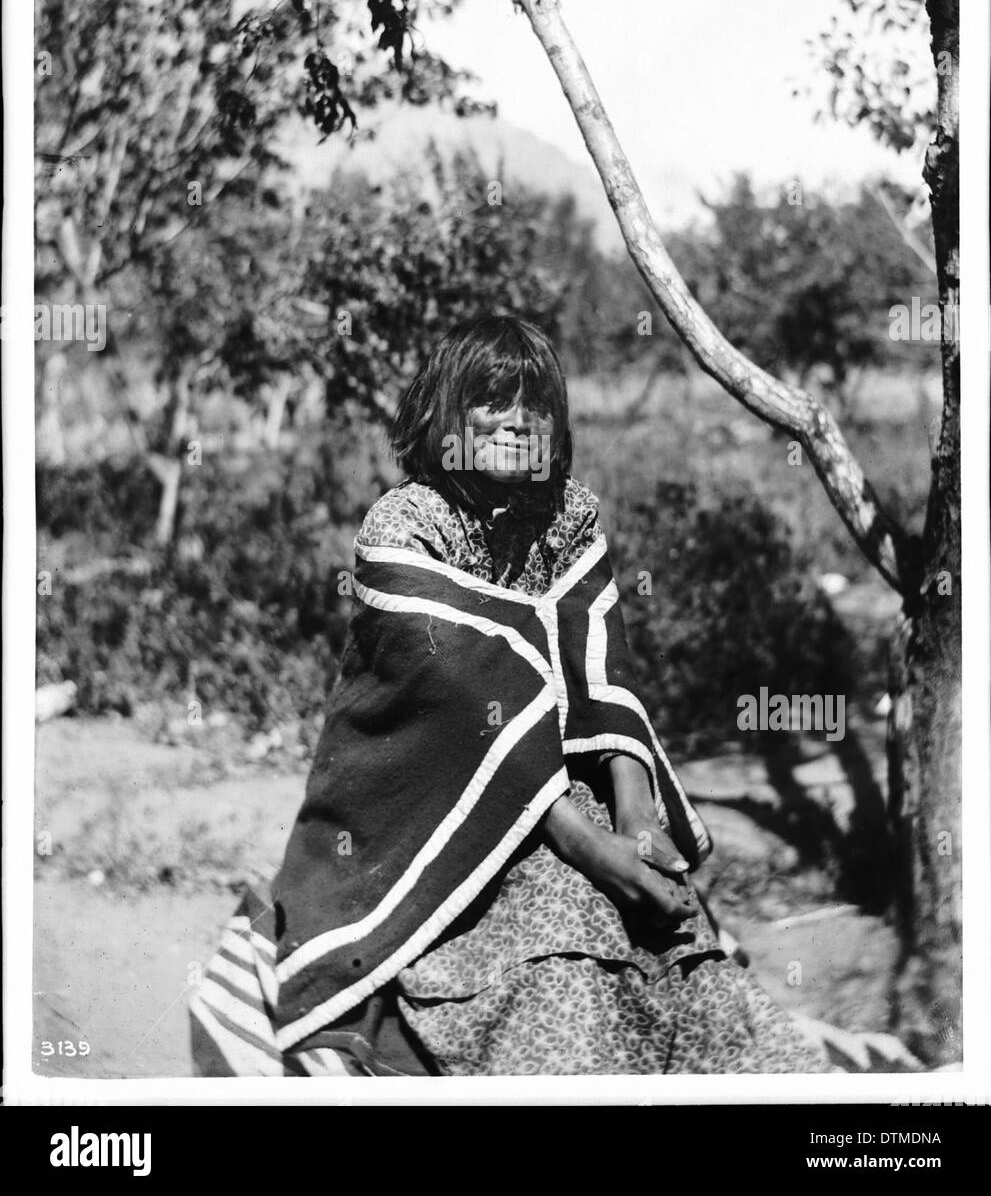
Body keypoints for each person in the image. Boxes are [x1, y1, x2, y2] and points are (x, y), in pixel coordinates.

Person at [190, 314, 825, 1076]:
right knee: (560, 939)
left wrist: (633, 817)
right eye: (490, 402)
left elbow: (601, 663)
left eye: (535, 405)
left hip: (564, 787)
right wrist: (590, 849)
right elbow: (453, 702)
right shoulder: (403, 524)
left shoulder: (568, 515)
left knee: (675, 949)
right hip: (426, 804)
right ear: (442, 414)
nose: (516, 421)